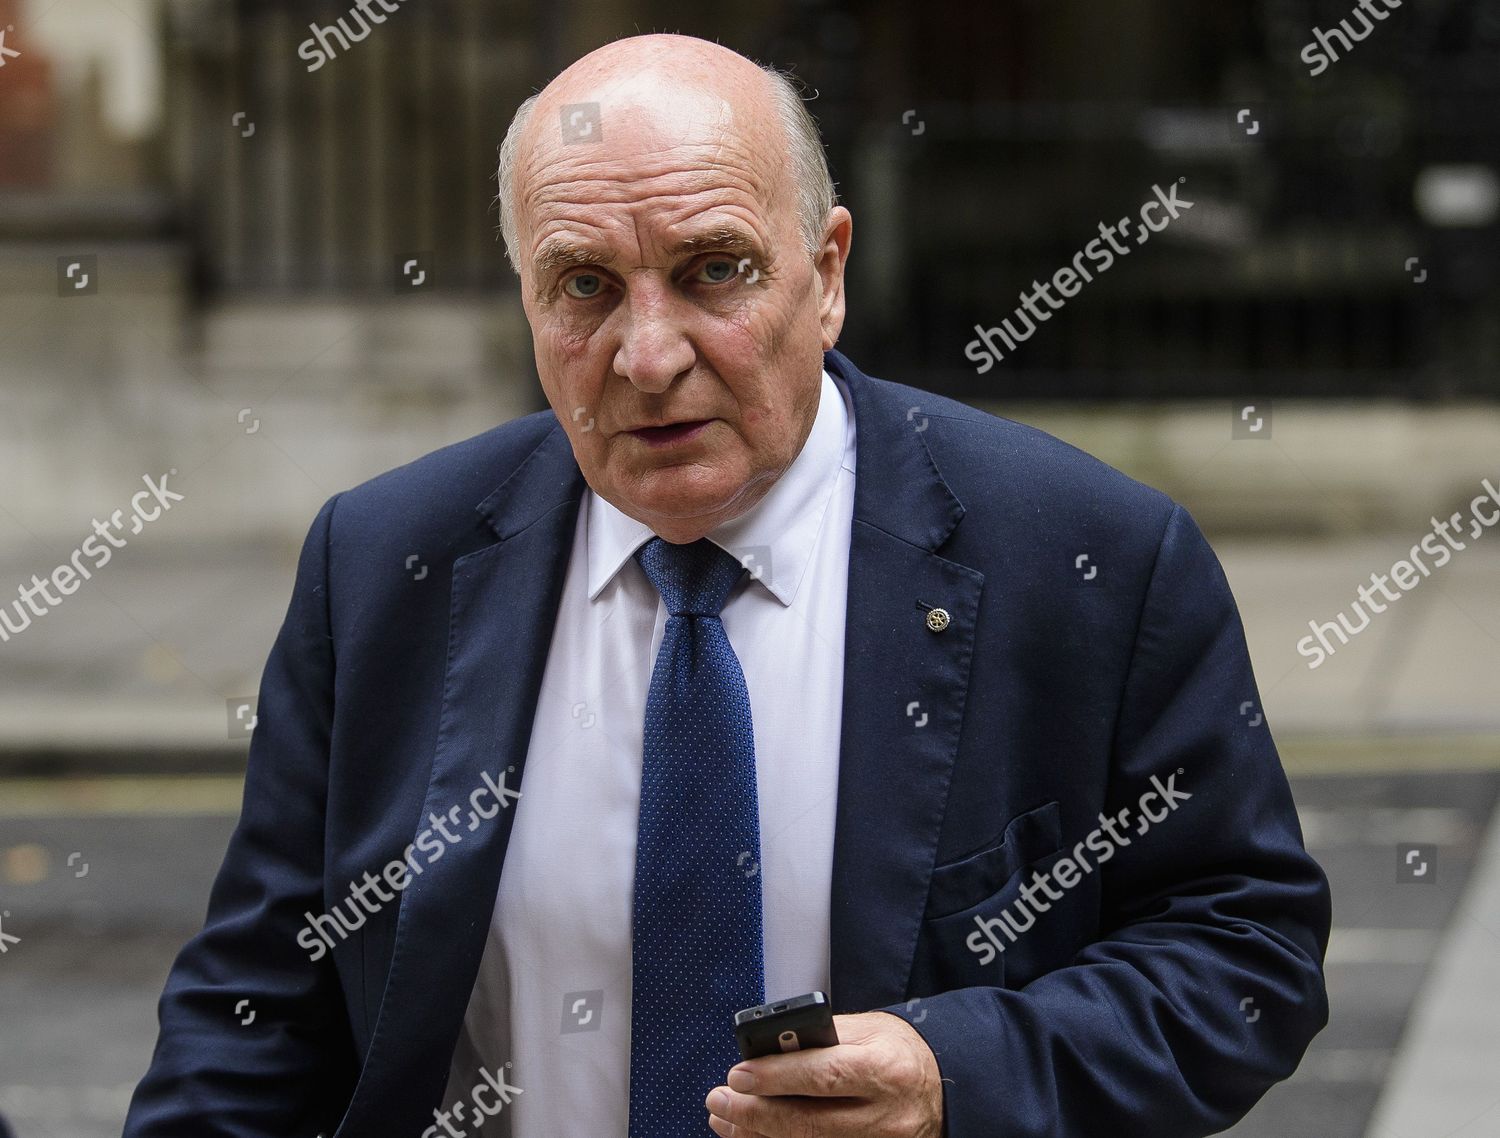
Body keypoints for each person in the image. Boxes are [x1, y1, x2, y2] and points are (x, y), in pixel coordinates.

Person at [124, 33, 1330, 1138]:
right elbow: (256, 1011)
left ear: (829, 270)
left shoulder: (1089, 560)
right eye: (585, 285)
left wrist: (954, 1071)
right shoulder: (383, 563)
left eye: (714, 271)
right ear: (529, 301)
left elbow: (1246, 951)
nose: (649, 355)